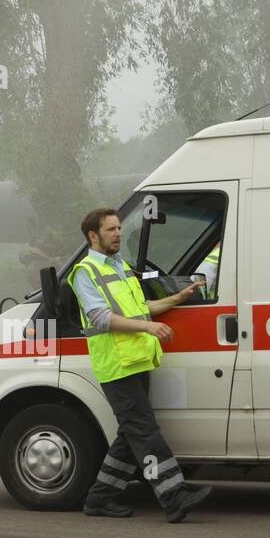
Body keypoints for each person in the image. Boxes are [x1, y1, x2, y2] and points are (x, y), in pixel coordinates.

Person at [68, 207, 213, 522]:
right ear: (93, 236)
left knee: (130, 433)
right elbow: (100, 318)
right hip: (116, 366)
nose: (118, 233)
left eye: (119, 228)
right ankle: (174, 497)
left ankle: (99, 498)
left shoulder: (119, 265)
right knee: (145, 431)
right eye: (110, 230)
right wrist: (149, 328)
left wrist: (176, 299)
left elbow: (139, 307)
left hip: (135, 361)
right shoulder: (85, 272)